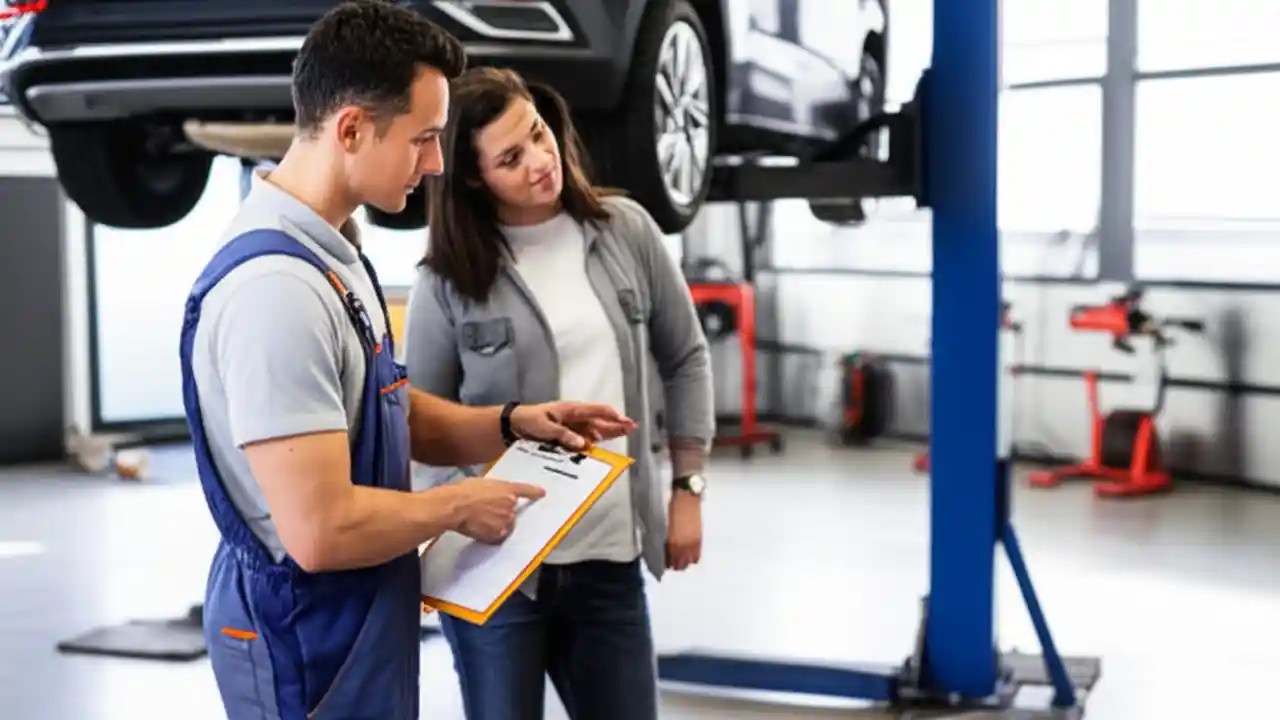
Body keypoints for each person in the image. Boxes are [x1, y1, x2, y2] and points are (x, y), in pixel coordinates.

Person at [177, 4, 635, 719]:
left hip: (356, 620)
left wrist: (511, 425)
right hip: (305, 639)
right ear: (353, 127)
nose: (438, 163)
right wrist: (456, 504)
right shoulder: (278, 292)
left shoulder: (334, 253)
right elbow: (321, 530)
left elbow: (380, 408)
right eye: (423, 138)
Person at [404, 66, 716, 720]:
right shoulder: (446, 280)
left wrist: (686, 487)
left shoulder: (625, 229)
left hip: (609, 560)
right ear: (472, 177)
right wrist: (456, 509)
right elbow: (417, 421)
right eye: (511, 158)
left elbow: (686, 355)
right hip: (498, 567)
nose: (541, 162)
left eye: (539, 136)